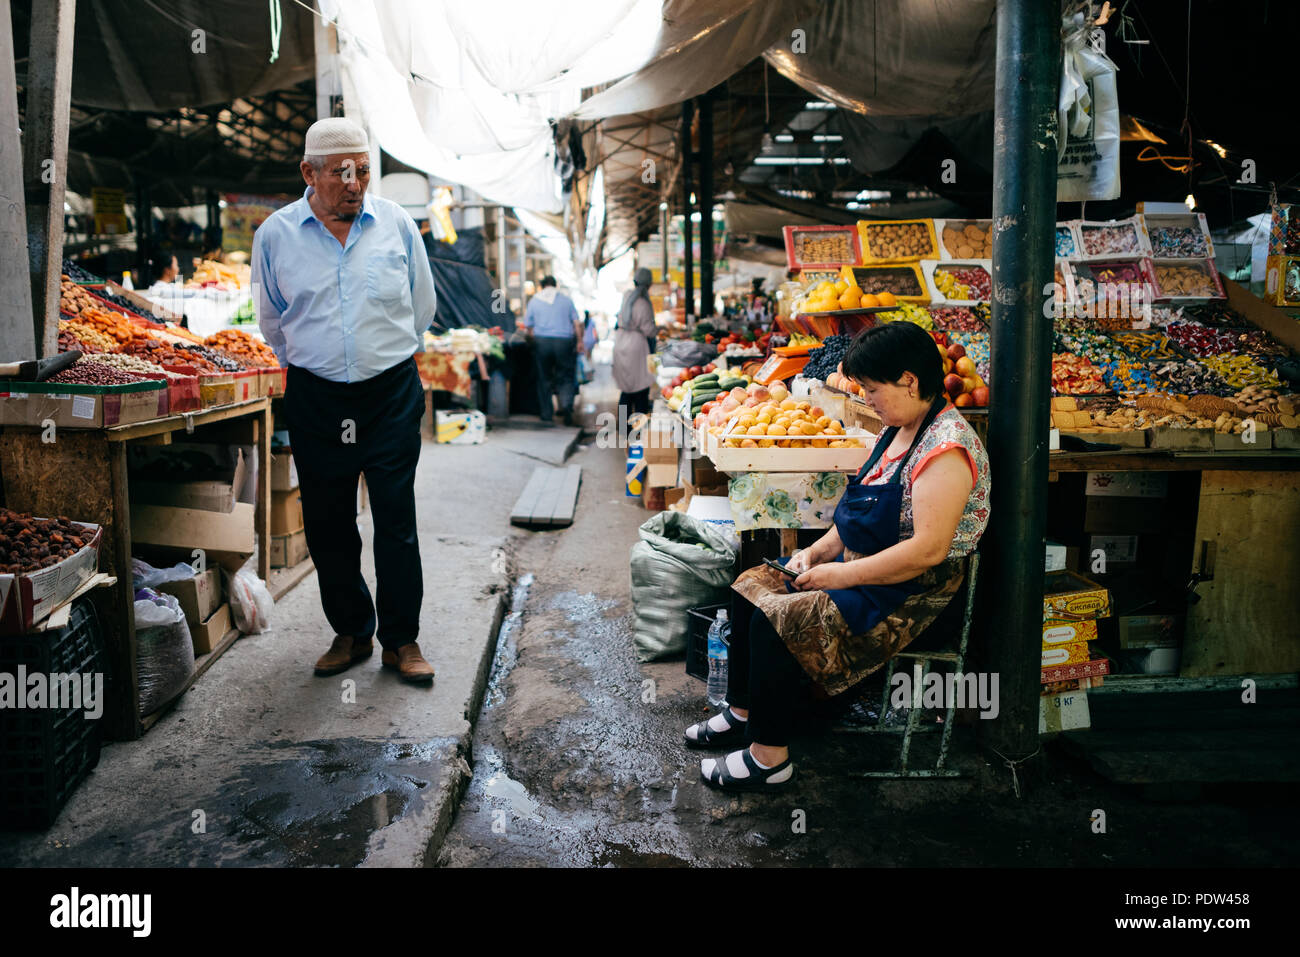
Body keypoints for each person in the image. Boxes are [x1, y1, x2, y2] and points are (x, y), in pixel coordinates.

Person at [684, 322, 991, 790]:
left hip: (913, 594)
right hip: (865, 570)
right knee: (750, 588)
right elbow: (855, 516)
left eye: (872, 388)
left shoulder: (945, 449)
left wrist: (841, 577)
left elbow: (927, 550)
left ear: (909, 380)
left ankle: (769, 759)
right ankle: (745, 713)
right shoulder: (898, 428)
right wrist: (814, 552)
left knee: (779, 620)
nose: (866, 399)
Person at [252, 116, 438, 683]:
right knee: (329, 523)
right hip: (317, 398)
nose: (355, 182)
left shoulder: (397, 225)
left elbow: (421, 308)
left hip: (389, 394)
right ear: (309, 173)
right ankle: (353, 631)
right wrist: (323, 362)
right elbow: (273, 322)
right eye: (340, 172)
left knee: (395, 518)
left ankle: (401, 640)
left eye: (362, 170)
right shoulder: (276, 235)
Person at [523, 275, 583, 425]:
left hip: (542, 342)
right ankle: (567, 409)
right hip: (564, 342)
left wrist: (533, 339)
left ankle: (546, 414)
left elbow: (528, 327)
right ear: (555, 285)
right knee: (565, 377)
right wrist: (580, 341)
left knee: (544, 378)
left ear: (542, 286)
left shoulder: (534, 301)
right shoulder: (566, 300)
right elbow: (576, 323)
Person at [612, 267, 657, 419]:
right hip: (636, 346)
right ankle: (639, 430)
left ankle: (625, 429)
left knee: (626, 389)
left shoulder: (626, 296)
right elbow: (649, 330)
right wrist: (659, 329)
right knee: (640, 389)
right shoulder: (643, 303)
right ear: (649, 284)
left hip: (620, 343)